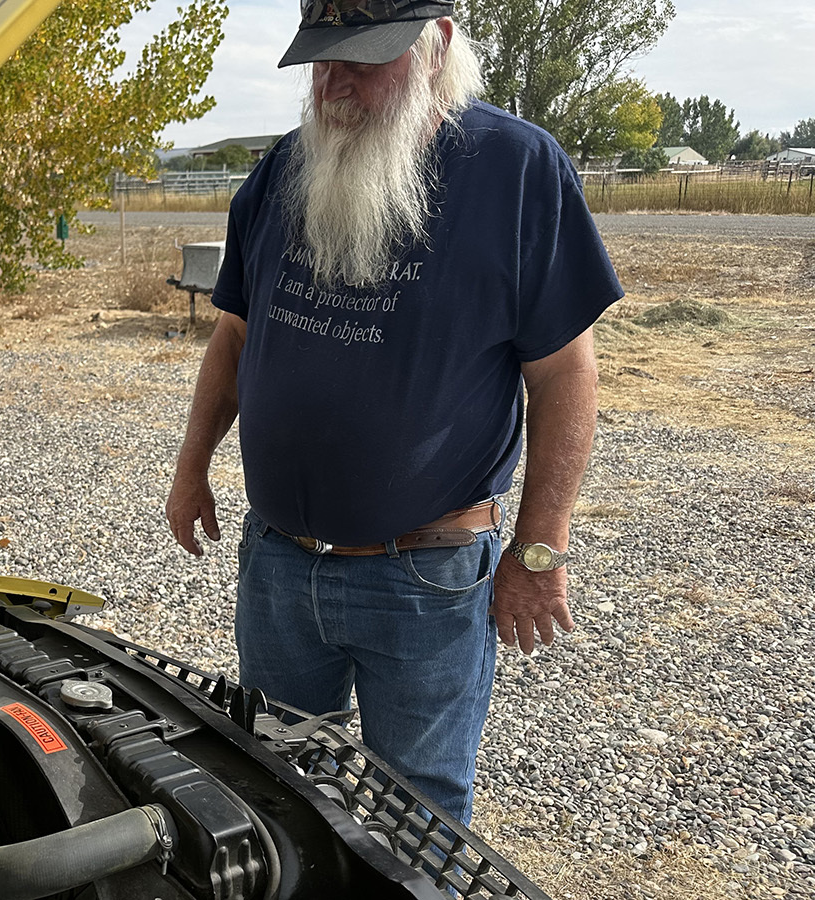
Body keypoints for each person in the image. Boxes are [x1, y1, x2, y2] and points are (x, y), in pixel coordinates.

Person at [165, 0, 622, 824]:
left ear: (437, 45)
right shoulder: (283, 172)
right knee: (277, 788)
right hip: (278, 562)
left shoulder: (516, 170)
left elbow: (565, 376)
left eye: (363, 60)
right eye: (322, 59)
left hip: (425, 577)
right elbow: (235, 337)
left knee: (418, 817)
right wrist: (191, 467)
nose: (335, 83)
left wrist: (539, 548)